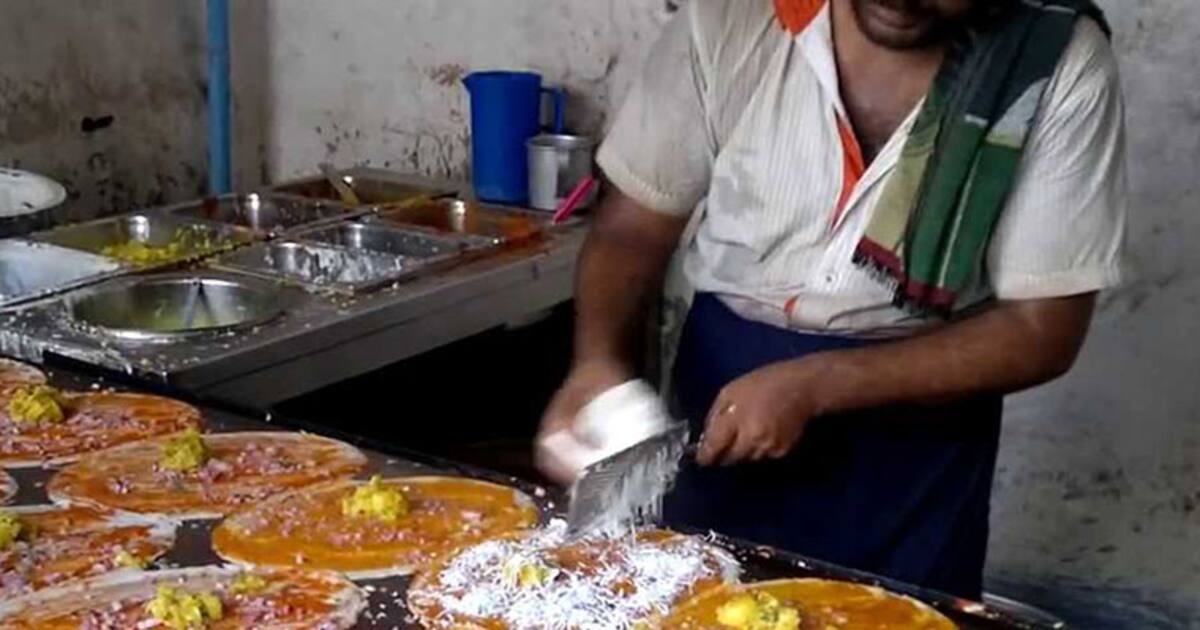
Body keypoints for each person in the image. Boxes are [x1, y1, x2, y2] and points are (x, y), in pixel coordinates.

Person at [537, 0, 1126, 599]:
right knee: (706, 600)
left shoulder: (1052, 58)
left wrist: (816, 383)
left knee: (897, 612)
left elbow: (1041, 329)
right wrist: (598, 362)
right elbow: (633, 230)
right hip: (725, 384)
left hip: (918, 439)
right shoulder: (732, 20)